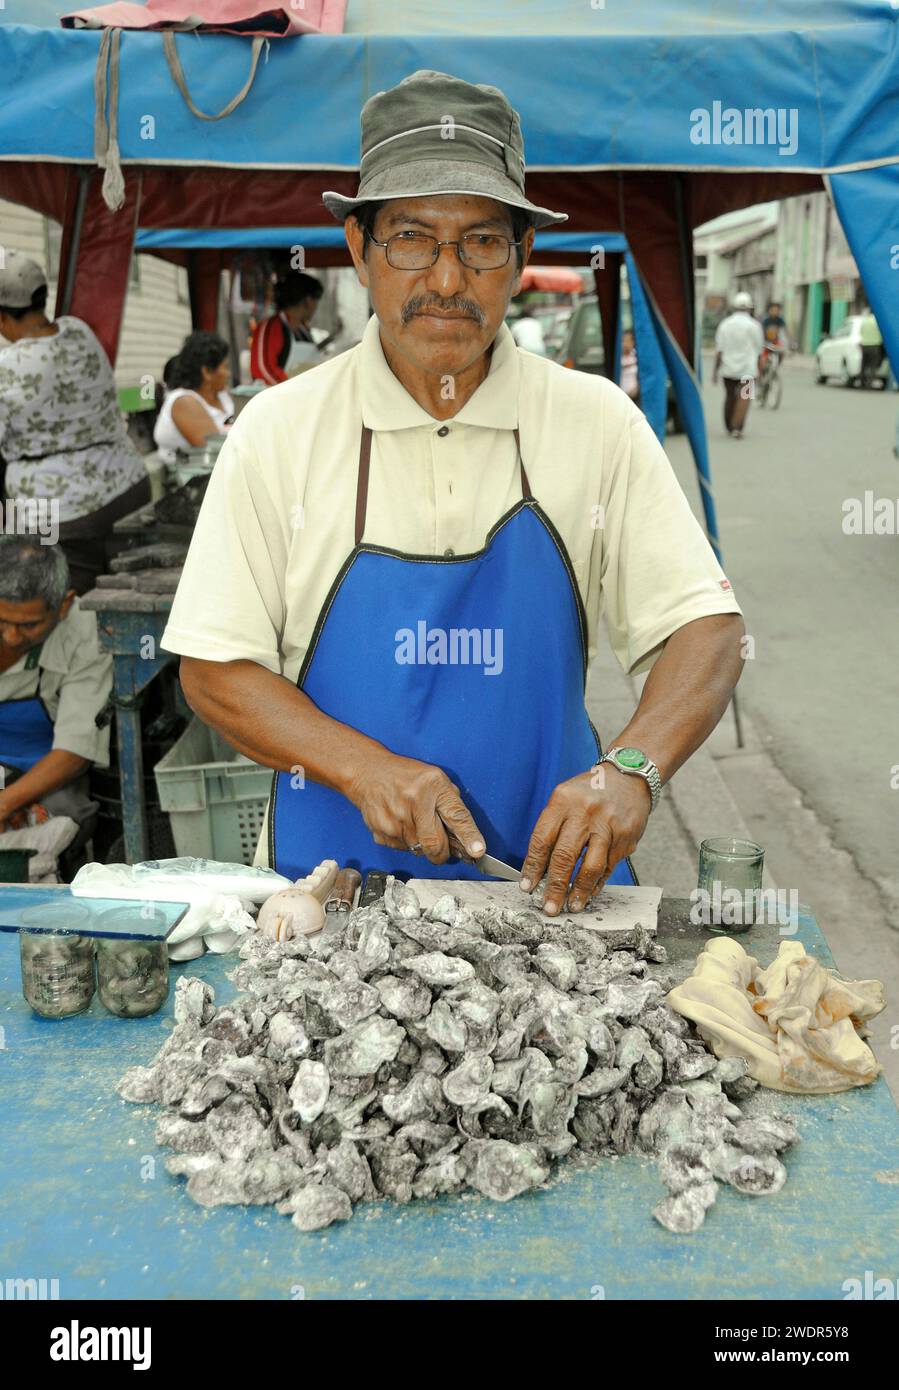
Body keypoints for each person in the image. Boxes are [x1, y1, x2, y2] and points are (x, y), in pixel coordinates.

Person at [161, 70, 745, 917]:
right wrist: (365, 769)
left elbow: (707, 629)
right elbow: (213, 667)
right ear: (358, 250)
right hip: (332, 900)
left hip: (551, 895)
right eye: (409, 237)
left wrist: (630, 769)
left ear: (521, 258)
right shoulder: (278, 432)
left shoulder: (595, 423)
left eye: (479, 242)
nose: (445, 277)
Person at [0, 253, 151, 594]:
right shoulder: (78, 330)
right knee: (131, 594)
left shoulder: (5, 366)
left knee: (71, 610)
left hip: (60, 516)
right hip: (127, 491)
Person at [0, 537, 110, 840]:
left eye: (28, 625)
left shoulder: (86, 633)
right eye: (1, 621)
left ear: (62, 606)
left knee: (65, 810)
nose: (11, 636)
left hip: (43, 769)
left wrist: (5, 804)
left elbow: (75, 751)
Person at [153, 331, 234, 464]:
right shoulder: (184, 401)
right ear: (206, 372)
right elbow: (218, 453)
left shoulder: (222, 396)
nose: (229, 374)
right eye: (225, 367)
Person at [250, 271, 329, 384]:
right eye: (316, 301)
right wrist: (289, 393)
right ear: (308, 301)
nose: (316, 307)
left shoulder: (304, 331)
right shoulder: (271, 327)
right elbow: (262, 371)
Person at [713, 291, 765, 439]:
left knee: (729, 396)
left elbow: (719, 351)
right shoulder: (754, 326)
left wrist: (715, 372)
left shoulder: (725, 324)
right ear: (749, 308)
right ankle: (737, 427)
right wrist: (760, 371)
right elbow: (759, 351)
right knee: (745, 397)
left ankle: (729, 425)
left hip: (728, 368)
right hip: (748, 370)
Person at [859, 308, 883, 388]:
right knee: (873, 366)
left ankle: (862, 382)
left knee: (863, 365)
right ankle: (869, 383)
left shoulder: (865, 321)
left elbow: (861, 332)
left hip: (864, 345)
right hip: (874, 346)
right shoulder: (877, 322)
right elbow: (881, 334)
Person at [619, 328, 640, 401]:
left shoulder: (637, 355)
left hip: (634, 397)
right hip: (620, 396)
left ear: (633, 342)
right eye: (623, 341)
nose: (625, 344)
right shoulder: (617, 357)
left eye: (628, 341)